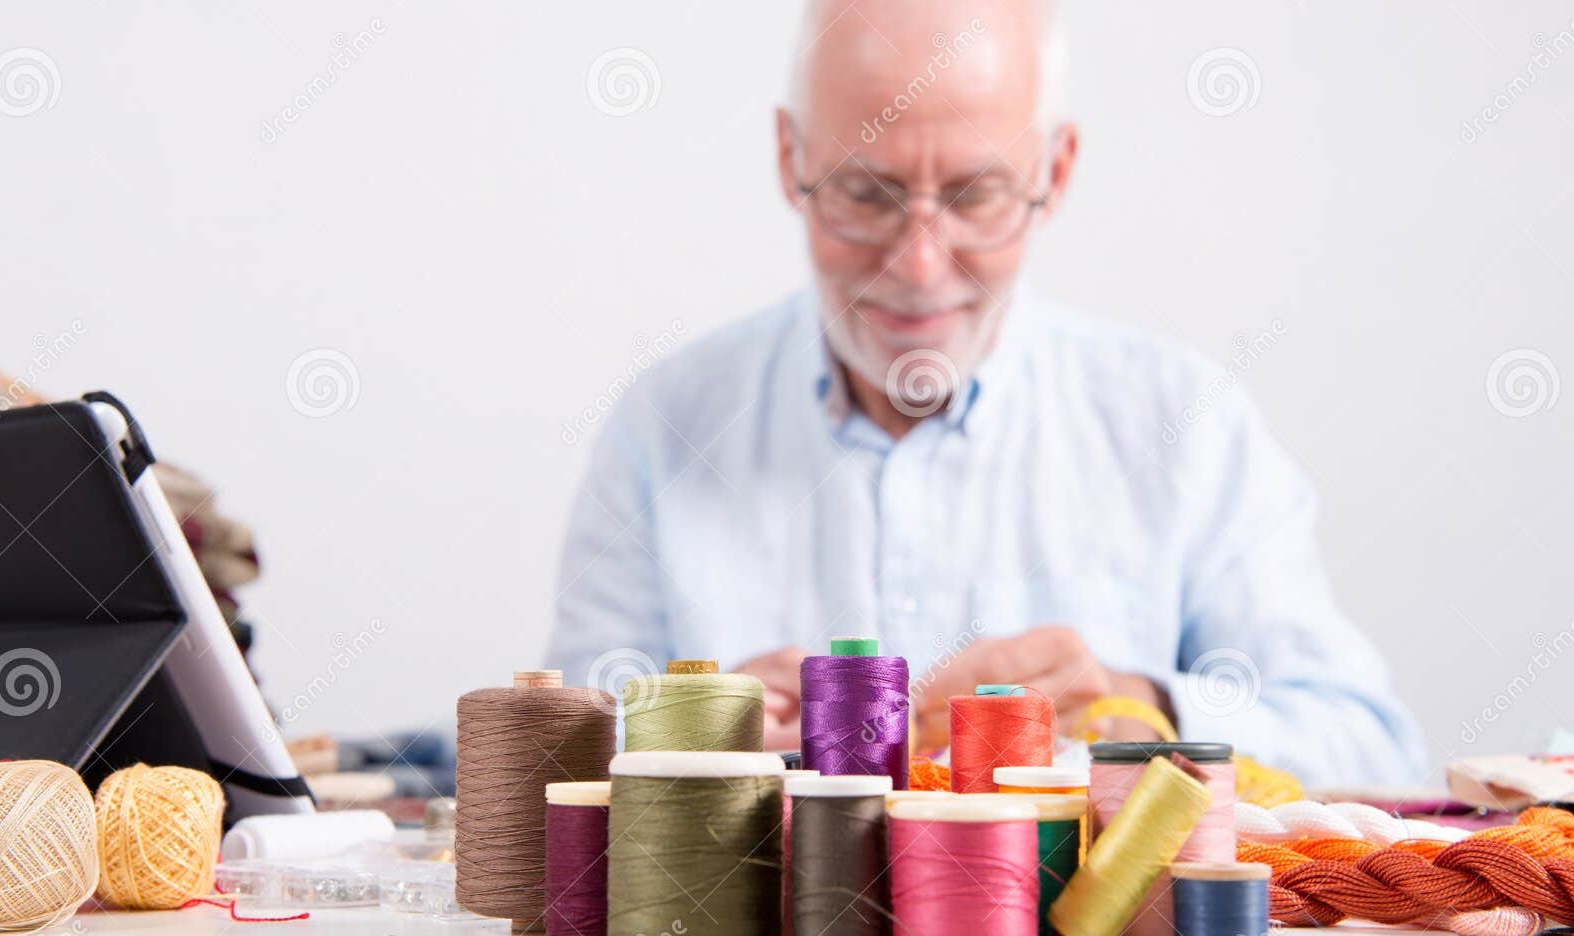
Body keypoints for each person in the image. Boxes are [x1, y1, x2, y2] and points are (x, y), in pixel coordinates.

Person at [546, 0, 1426, 785]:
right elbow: (551, 768)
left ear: (1058, 170)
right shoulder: (666, 430)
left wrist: (1138, 704)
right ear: (789, 159)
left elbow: (1378, 752)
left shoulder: (1185, 424)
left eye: (976, 195)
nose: (919, 266)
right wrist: (681, 737)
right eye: (865, 192)